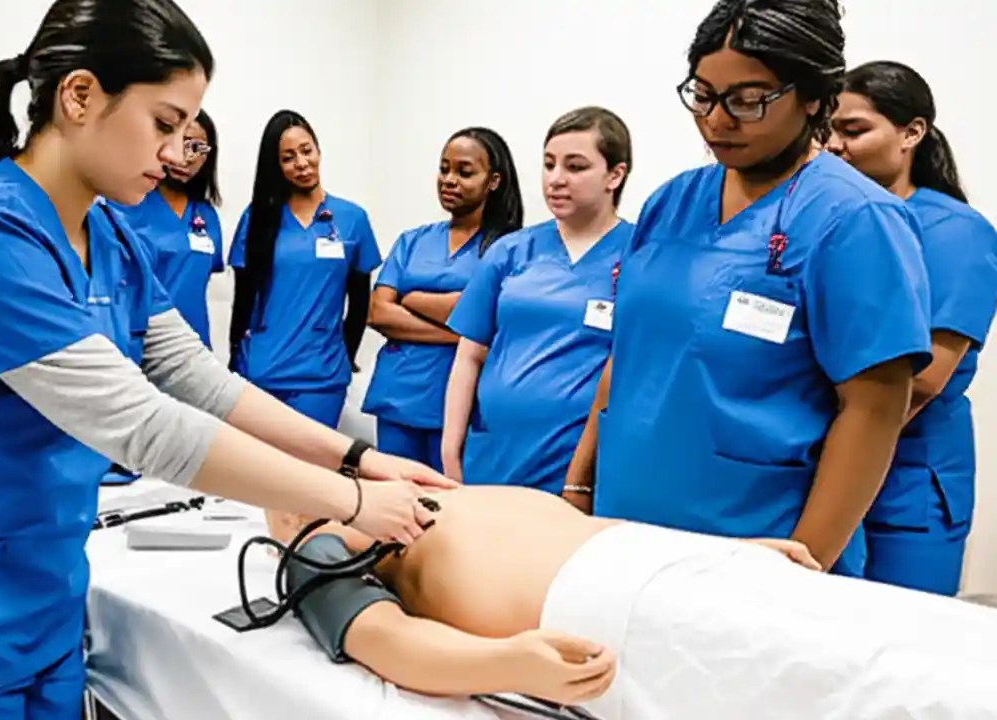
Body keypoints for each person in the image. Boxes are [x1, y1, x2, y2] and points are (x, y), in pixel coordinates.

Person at [0, 3, 447, 718]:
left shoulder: (108, 232)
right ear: (80, 95)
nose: (180, 151)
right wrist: (354, 503)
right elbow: (136, 421)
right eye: (164, 123)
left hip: (35, 597)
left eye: (188, 130)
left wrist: (355, 460)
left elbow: (190, 374)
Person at [565, 0, 932, 577]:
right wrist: (579, 485)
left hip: (758, 543)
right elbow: (630, 352)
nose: (717, 119)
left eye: (748, 100)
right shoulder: (672, 202)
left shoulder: (855, 218)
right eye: (703, 95)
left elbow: (876, 406)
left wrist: (801, 568)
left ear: (814, 97)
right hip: (626, 529)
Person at [266, 484, 997, 720]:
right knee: (863, 678)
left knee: (901, 625)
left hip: (665, 561)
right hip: (609, 608)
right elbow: (381, 639)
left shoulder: (421, 492)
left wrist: (730, 549)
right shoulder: (319, 548)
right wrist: (506, 662)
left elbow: (589, 524)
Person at [829, 61, 997, 596]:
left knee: (900, 649)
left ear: (912, 133)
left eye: (854, 131)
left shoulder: (955, 232)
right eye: (827, 131)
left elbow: (922, 379)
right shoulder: (835, 220)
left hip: (907, 484)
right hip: (827, 464)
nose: (835, 146)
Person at [443, 108, 634, 492]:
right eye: (549, 165)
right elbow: (469, 355)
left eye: (575, 166)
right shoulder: (511, 252)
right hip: (492, 453)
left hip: (574, 467)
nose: (556, 180)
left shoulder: (638, 256)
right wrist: (450, 450)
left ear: (615, 174)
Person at [362, 127, 523, 472]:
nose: (449, 180)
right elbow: (378, 312)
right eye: (444, 168)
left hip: (459, 403)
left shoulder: (509, 248)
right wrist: (463, 334)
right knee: (395, 502)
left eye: (464, 172)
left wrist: (413, 298)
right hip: (399, 396)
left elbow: (493, 316)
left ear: (493, 181)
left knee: (450, 507)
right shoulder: (413, 239)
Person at [228, 110, 382, 428]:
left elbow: (359, 303)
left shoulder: (351, 218)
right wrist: (235, 360)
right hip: (260, 371)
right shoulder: (257, 218)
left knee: (309, 471)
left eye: (306, 150)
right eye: (288, 157)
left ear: (318, 150)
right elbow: (242, 299)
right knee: (261, 472)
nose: (301, 163)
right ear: (276, 166)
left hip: (321, 377)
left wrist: (344, 355)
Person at [108, 109, 224, 348]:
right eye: (182, 143)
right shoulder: (126, 203)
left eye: (198, 148)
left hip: (194, 349)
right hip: (137, 348)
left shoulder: (207, 216)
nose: (188, 157)